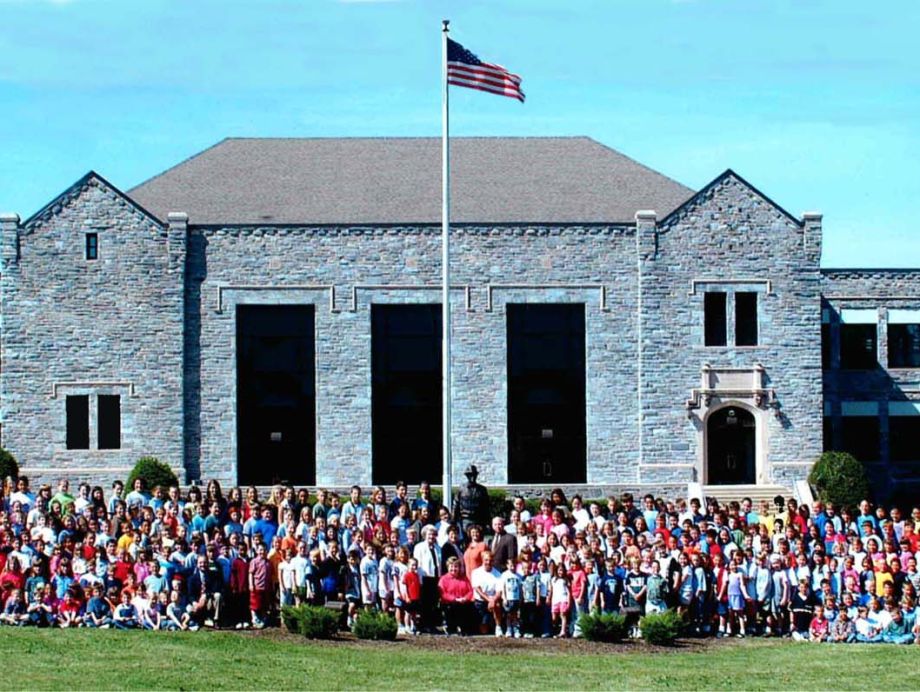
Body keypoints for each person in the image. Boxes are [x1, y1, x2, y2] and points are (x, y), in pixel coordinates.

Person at [438, 556, 473, 635]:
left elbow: (470, 591)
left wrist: (465, 598)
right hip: (450, 604)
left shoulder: (464, 578)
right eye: (451, 567)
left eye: (456, 567)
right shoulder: (443, 579)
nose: (453, 569)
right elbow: (443, 594)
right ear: (447, 567)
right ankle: (450, 626)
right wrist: (455, 599)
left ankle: (462, 627)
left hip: (463, 602)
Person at [471, 550, 503, 637]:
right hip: (480, 602)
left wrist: (493, 600)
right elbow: (478, 589)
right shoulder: (476, 573)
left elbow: (499, 591)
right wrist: (489, 600)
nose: (488, 562)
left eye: (490, 560)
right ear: (482, 560)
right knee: (484, 630)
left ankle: (498, 627)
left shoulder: (498, 574)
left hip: (493, 602)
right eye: (486, 560)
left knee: (498, 605)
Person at [453, 466, 490, 532]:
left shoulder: (482, 490)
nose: (472, 477)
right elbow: (456, 505)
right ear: (467, 476)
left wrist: (488, 522)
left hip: (479, 519)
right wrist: (453, 521)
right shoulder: (461, 489)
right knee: (466, 539)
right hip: (465, 520)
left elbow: (486, 507)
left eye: (474, 475)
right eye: (470, 475)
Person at [500, 557, 523, 638]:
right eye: (511, 565)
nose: (512, 567)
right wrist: (504, 598)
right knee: (508, 614)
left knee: (515, 615)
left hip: (516, 598)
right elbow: (503, 587)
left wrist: (520, 598)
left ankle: (516, 629)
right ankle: (509, 628)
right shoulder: (504, 575)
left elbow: (520, 588)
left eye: (514, 565)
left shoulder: (518, 576)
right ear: (507, 565)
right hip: (508, 598)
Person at [549, 562, 571, 639]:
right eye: (559, 570)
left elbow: (568, 592)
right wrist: (549, 598)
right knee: (554, 617)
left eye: (562, 570)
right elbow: (551, 590)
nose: (560, 572)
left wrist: (568, 602)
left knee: (563, 615)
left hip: (563, 599)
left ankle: (563, 631)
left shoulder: (566, 580)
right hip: (555, 600)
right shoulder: (553, 580)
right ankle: (555, 630)